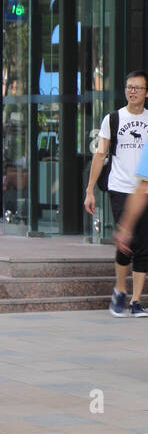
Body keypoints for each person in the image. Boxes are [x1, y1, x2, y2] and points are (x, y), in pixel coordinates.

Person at [86, 70, 148, 316]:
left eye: (138, 88)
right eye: (129, 87)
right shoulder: (113, 119)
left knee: (143, 244)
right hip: (120, 187)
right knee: (128, 242)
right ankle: (120, 289)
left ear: (146, 93)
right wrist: (90, 189)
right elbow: (100, 154)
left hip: (144, 188)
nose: (132, 91)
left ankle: (135, 300)